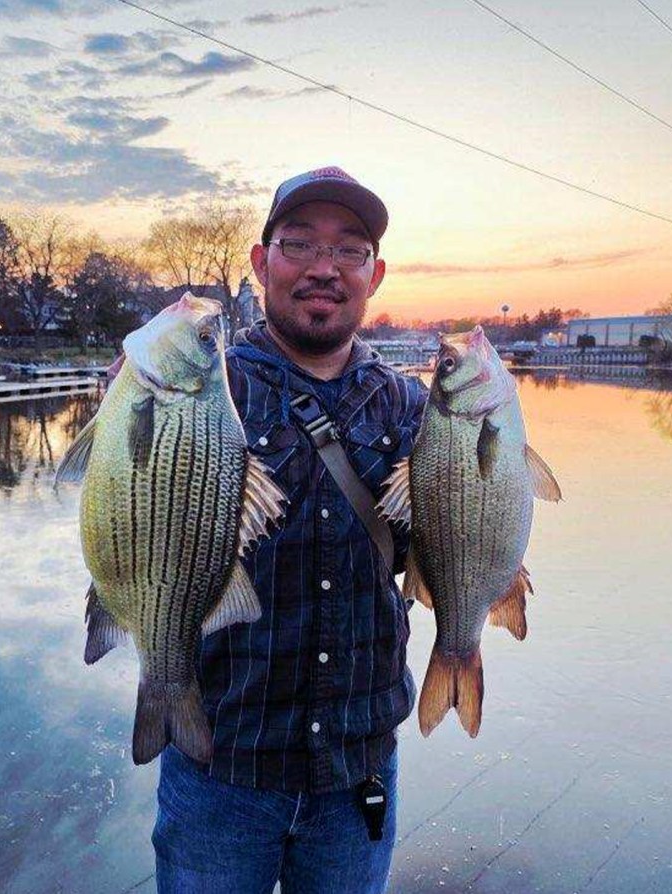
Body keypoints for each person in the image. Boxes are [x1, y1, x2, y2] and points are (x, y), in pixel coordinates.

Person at [152, 167, 428, 893]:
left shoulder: (411, 409)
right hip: (221, 768)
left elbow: (438, 554)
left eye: (349, 251)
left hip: (355, 770)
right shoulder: (208, 386)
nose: (322, 269)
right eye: (299, 244)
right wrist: (128, 391)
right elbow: (126, 488)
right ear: (260, 261)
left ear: (375, 275)